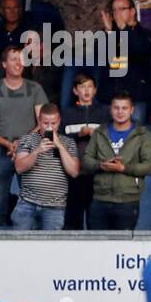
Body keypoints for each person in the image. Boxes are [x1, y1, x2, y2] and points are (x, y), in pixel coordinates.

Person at [0, 46, 48, 226]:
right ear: (4, 64)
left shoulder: (35, 88)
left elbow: (44, 123)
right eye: (13, 59)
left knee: (33, 206)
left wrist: (22, 143)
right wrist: (8, 144)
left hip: (29, 152)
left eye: (21, 59)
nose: (18, 63)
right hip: (0, 153)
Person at [81, 91, 151, 230]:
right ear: (111, 109)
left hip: (127, 200)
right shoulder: (99, 132)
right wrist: (100, 165)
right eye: (116, 108)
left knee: (122, 247)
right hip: (100, 199)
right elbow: (86, 161)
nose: (120, 112)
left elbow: (149, 167)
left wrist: (124, 168)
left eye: (124, 108)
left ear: (132, 110)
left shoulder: (142, 134)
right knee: (97, 247)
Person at [12, 102, 79, 230]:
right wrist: (37, 150)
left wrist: (59, 145)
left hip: (55, 208)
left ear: (59, 121)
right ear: (39, 121)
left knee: (51, 249)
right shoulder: (27, 139)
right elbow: (19, 168)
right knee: (20, 247)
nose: (49, 127)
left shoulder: (68, 142)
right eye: (45, 123)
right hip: (27, 204)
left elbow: (74, 172)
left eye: (53, 124)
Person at [61, 72, 107, 229]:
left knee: (96, 224)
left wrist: (97, 134)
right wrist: (78, 134)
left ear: (95, 90)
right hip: (74, 176)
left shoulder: (105, 113)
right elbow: (59, 139)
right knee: (73, 224)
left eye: (89, 87)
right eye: (82, 87)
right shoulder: (66, 113)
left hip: (99, 175)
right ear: (75, 91)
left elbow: (115, 140)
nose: (86, 91)